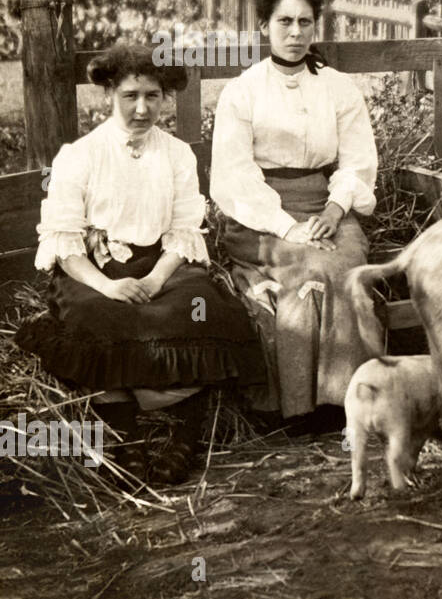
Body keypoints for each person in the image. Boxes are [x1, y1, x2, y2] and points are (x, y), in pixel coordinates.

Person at [14, 44, 265, 486]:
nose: (142, 108)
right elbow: (65, 240)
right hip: (93, 268)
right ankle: (126, 441)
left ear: (164, 98)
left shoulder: (176, 154)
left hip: (160, 264)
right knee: (99, 319)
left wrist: (154, 277)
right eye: (130, 96)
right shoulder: (80, 155)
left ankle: (184, 439)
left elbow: (185, 229)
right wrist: (107, 286)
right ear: (109, 94)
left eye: (153, 96)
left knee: (196, 308)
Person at [210, 0, 378, 419]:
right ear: (265, 25)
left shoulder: (339, 88)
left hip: (325, 208)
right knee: (310, 264)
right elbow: (234, 176)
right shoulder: (242, 92)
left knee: (340, 265)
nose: (295, 32)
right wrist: (288, 227)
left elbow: (358, 162)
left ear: (315, 26)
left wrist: (335, 208)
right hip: (259, 216)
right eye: (284, 21)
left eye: (305, 22)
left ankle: (342, 401)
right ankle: (300, 406)